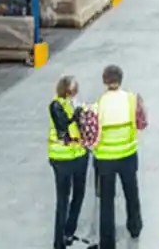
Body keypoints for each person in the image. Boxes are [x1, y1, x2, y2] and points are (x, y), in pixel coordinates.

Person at [89, 65, 147, 249]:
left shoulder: (98, 104)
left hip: (105, 158)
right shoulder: (132, 100)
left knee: (106, 200)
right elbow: (142, 123)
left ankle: (107, 241)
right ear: (121, 79)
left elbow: (92, 133)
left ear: (104, 81)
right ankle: (135, 226)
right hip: (128, 155)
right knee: (131, 192)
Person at [48, 76, 88, 249]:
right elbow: (63, 128)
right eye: (71, 89)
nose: (73, 92)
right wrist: (76, 115)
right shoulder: (56, 105)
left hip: (79, 155)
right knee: (63, 199)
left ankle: (69, 231)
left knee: (79, 194)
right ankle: (59, 242)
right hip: (62, 159)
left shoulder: (74, 104)